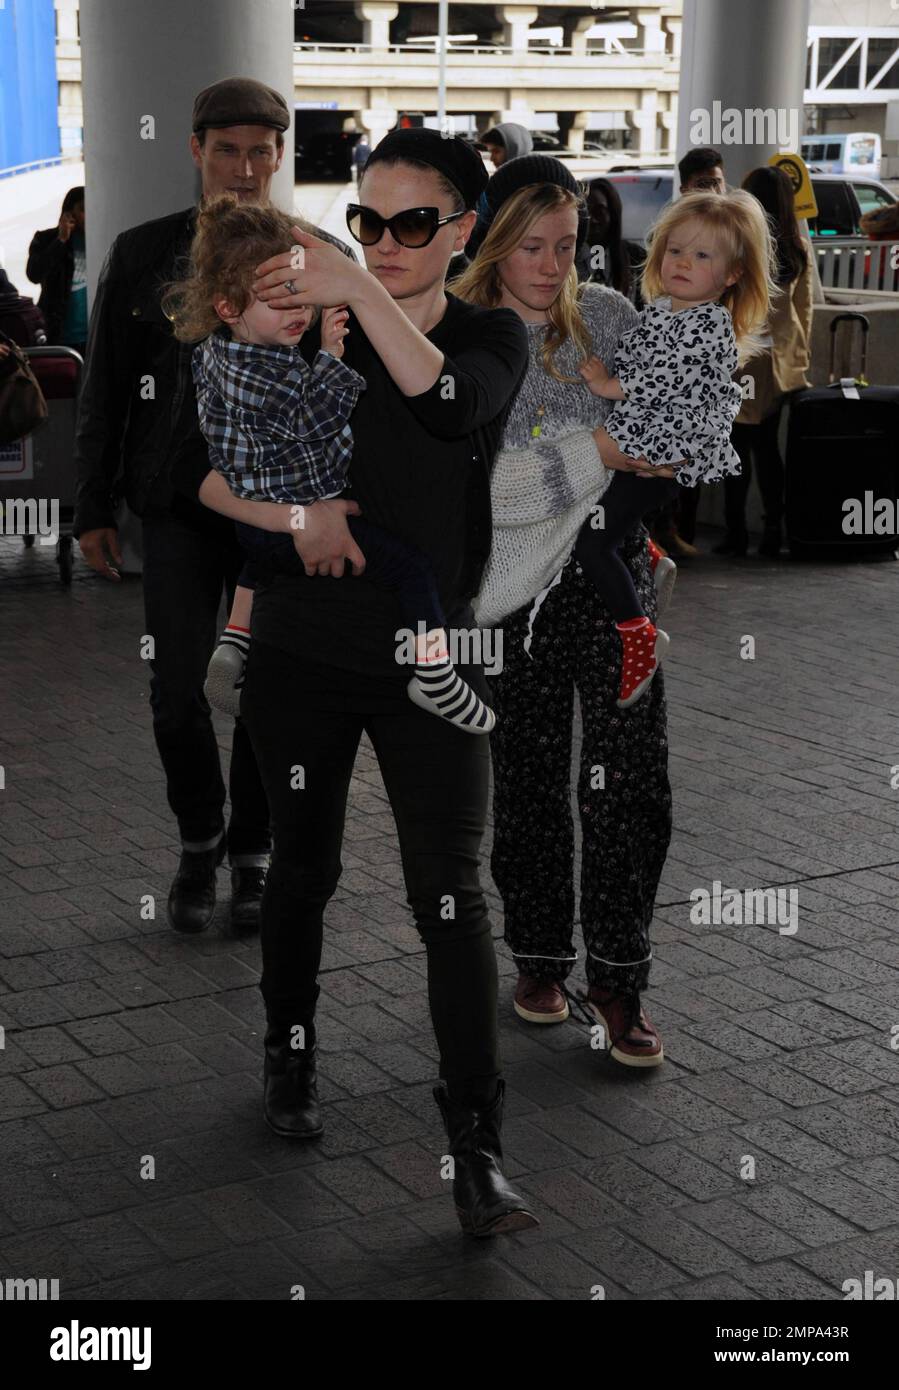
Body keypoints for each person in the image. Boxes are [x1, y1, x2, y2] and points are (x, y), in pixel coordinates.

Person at [187, 129, 537, 1237]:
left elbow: (444, 406)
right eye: (366, 222)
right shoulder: (286, 316)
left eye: (410, 223)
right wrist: (304, 516)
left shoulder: (486, 335)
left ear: (460, 231)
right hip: (300, 648)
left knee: (449, 895)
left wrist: (352, 292)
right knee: (303, 871)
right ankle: (288, 1056)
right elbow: (187, 473)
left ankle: (475, 1144)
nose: (381, 244)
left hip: (430, 662)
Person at [73, 78, 347, 937]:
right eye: (225, 149)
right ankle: (200, 840)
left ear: (278, 155)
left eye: (260, 150)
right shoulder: (144, 251)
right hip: (180, 511)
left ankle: (253, 857)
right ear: (195, 151)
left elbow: (350, 381)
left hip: (279, 504)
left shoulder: (317, 252)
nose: (242, 166)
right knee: (177, 692)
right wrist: (93, 507)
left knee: (265, 689)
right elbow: (105, 388)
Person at [452, 154, 673, 1066]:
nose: (552, 266)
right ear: (497, 242)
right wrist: (597, 451)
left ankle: (618, 981)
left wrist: (635, 457)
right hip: (512, 599)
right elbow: (485, 494)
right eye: (532, 246)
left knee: (632, 785)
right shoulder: (462, 338)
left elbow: (665, 438)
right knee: (530, 782)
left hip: (613, 589)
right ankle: (539, 957)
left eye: (569, 246)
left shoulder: (612, 319)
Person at [167, 195, 493, 735]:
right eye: (279, 300)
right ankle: (433, 670)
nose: (298, 311)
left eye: (300, 296)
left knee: (258, 562)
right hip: (285, 522)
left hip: (259, 527)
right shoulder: (265, 369)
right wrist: (334, 362)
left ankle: (235, 638)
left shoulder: (219, 351)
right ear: (228, 307)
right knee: (408, 567)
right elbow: (313, 421)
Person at [577, 189, 774, 704]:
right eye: (675, 250)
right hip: (649, 448)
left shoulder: (706, 324)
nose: (683, 262)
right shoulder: (667, 310)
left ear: (732, 275)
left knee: (591, 542)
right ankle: (651, 553)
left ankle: (638, 633)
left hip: (658, 450)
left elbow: (658, 379)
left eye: (702, 255)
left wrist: (605, 386)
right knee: (604, 520)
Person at [714, 166, 813, 559]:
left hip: (742, 356)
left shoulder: (743, 244)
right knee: (768, 448)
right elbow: (804, 312)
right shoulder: (798, 248)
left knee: (736, 446)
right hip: (778, 362)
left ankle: (736, 531)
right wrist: (800, 361)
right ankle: (773, 528)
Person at [26, 187, 87, 357]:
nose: (89, 214)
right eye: (83, 209)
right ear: (69, 214)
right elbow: (34, 274)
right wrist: (60, 240)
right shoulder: (45, 239)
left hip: (94, 334)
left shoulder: (101, 238)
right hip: (60, 336)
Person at [580, 177, 644, 304]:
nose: (593, 220)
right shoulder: (565, 259)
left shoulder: (635, 258)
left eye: (600, 212)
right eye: (586, 211)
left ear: (613, 214)